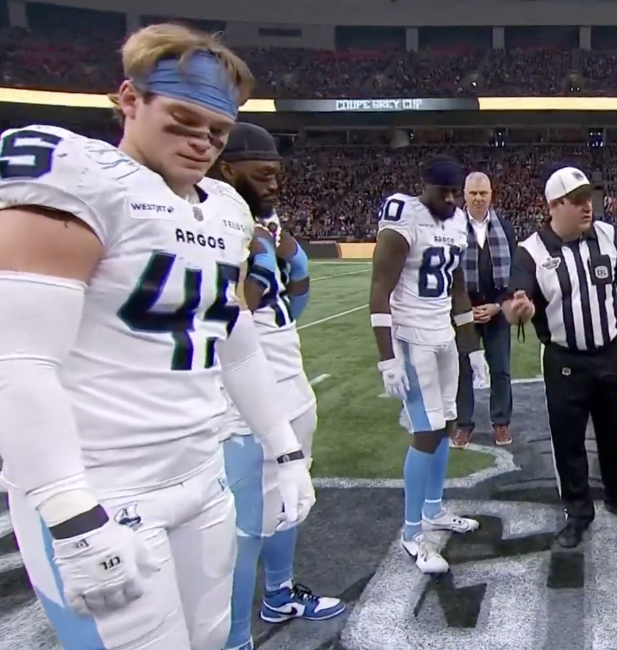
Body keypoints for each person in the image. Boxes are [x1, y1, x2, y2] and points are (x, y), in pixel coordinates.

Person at [0, 24, 315, 650]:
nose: (201, 144)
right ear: (129, 99)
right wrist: (71, 511)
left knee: (217, 638)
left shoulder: (224, 206)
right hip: (105, 485)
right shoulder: (79, 174)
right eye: (182, 121)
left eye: (217, 132)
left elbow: (235, 340)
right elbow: (18, 359)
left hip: (201, 473)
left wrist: (283, 447)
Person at [212, 123, 344, 650]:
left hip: (288, 383)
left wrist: (295, 261)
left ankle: (279, 593)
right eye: (261, 170)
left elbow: (288, 309)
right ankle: (235, 637)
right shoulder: (216, 222)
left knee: (290, 504)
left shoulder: (259, 224)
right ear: (227, 170)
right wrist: (262, 255)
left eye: (276, 170)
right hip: (243, 401)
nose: (274, 179)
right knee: (243, 527)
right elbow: (237, 307)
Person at [502, 166, 617, 549]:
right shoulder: (530, 251)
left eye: (590, 198)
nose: (588, 207)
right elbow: (514, 303)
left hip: (610, 353)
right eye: (578, 200)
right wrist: (518, 310)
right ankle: (578, 511)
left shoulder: (607, 235)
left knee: (616, 435)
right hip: (565, 361)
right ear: (554, 205)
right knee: (569, 443)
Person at [369, 155, 481, 575]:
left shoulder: (457, 223)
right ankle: (411, 532)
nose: (451, 200)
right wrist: (387, 359)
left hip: (444, 337)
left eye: (456, 193)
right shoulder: (404, 215)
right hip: (412, 338)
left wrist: (474, 350)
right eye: (444, 193)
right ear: (424, 186)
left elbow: (458, 289)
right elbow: (379, 289)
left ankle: (433, 510)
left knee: (446, 424)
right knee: (426, 430)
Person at [451, 171, 516, 448]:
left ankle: (501, 423)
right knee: (462, 369)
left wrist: (498, 306)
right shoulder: (450, 227)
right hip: (463, 311)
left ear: (492, 194)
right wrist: (465, 308)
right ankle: (463, 424)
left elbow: (516, 273)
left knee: (500, 369)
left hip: (497, 308)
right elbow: (448, 273)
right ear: (464, 195)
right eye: (473, 193)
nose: (478, 198)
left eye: (483, 193)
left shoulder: (506, 227)